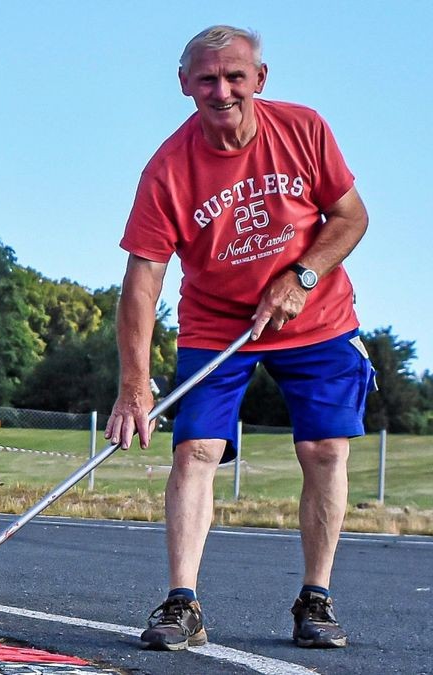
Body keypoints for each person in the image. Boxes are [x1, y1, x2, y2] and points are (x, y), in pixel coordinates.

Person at [106, 26, 372, 651]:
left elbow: (351, 216)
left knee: (325, 451)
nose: (221, 90)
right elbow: (142, 283)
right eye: (206, 79)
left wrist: (301, 276)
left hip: (316, 316)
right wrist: (133, 386)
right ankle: (182, 604)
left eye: (234, 76)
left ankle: (315, 598)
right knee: (194, 450)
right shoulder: (168, 169)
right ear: (184, 85)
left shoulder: (303, 129)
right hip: (217, 322)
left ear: (259, 78)